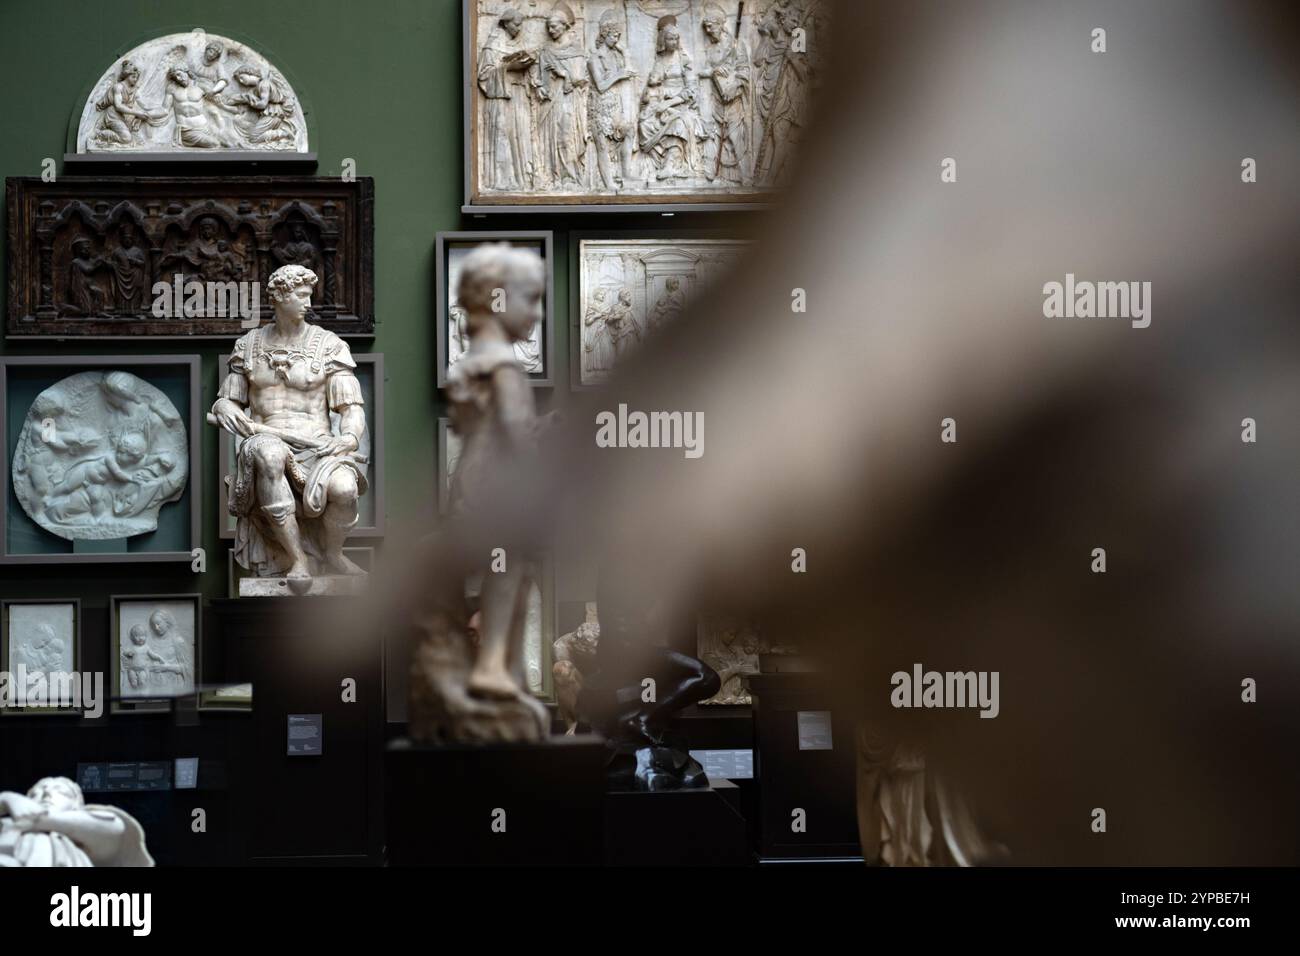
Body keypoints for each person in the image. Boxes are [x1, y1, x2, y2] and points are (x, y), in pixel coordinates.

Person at [210, 264, 369, 591]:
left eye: (309, 296)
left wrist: (349, 438)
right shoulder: (249, 345)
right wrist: (223, 407)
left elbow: (351, 408)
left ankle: (334, 554)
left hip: (319, 446)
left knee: (344, 490)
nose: (308, 303)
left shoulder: (329, 346)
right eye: (300, 296)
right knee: (269, 455)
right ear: (279, 297)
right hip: (265, 437)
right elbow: (228, 399)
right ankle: (298, 558)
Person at [0, 777, 153, 867]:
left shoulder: (85, 836)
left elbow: (114, 829)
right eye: (35, 793)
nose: (46, 793)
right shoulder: (6, 826)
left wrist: (34, 819)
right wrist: (6, 798)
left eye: (60, 791)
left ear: (76, 806)